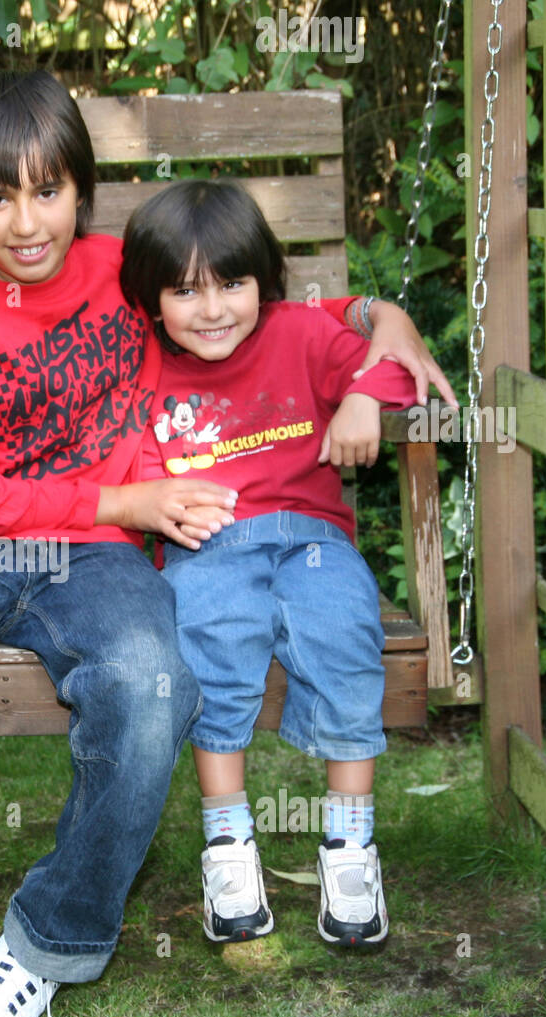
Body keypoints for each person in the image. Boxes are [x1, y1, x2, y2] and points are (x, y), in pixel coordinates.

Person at [0, 71, 450, 1017]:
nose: (25, 222)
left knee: (153, 684)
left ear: (83, 191)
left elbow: (285, 309)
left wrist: (390, 320)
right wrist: (122, 498)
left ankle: (52, 936)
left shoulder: (127, 271)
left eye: (48, 191)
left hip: (97, 557)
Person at [121, 177, 429, 953]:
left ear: (265, 280)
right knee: (209, 636)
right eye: (186, 290)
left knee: (343, 627)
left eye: (233, 281)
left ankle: (350, 846)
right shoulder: (140, 366)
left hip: (310, 537)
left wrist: (363, 398)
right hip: (211, 541)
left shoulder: (300, 334)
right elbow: (120, 468)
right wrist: (153, 499)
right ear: (151, 301)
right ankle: (228, 845)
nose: (215, 307)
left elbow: (391, 360)